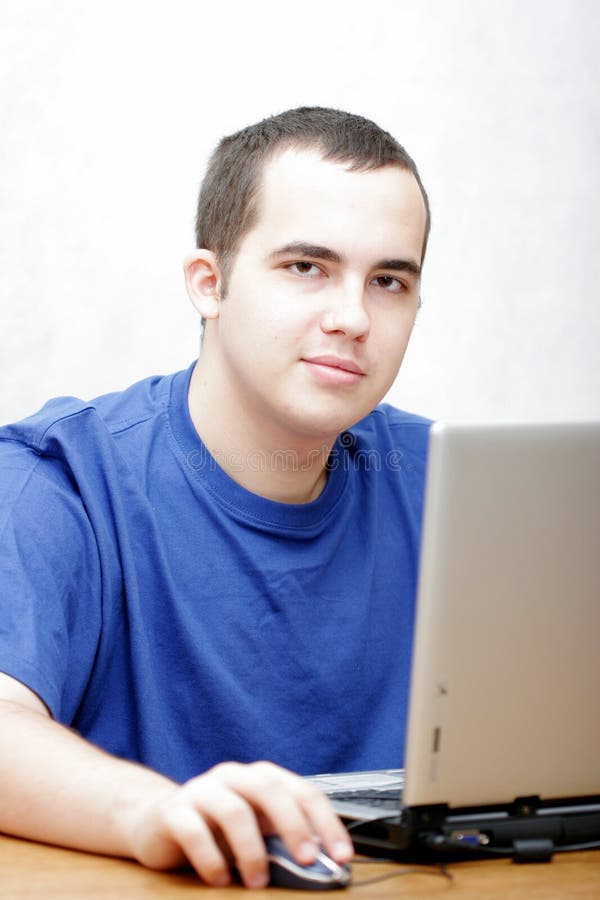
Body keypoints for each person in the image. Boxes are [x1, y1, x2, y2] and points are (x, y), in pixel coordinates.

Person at [0, 107, 431, 889]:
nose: (353, 317)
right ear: (210, 284)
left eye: (389, 281)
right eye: (307, 267)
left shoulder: (455, 488)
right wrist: (152, 811)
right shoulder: (56, 479)